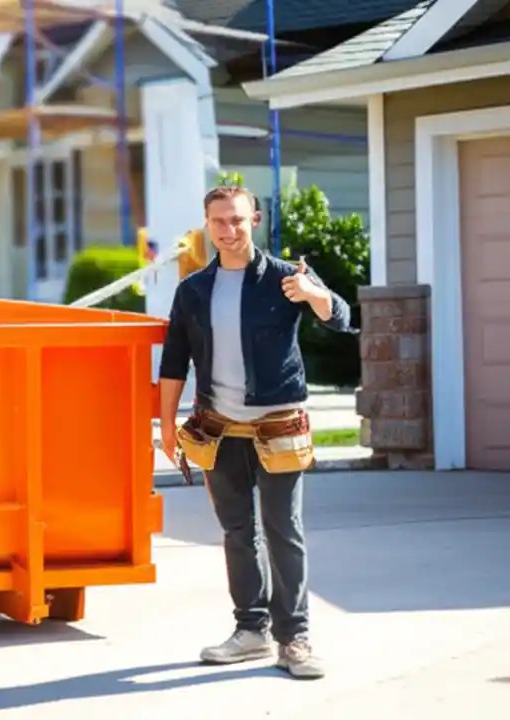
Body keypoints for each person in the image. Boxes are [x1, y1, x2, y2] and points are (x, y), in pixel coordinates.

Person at [157, 185, 355, 680]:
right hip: (218, 428)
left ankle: (296, 639)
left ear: (256, 220)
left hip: (277, 425)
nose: (229, 230)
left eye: (238, 220)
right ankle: (251, 632)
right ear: (207, 224)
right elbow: (174, 363)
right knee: (238, 533)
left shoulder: (288, 279)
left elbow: (343, 321)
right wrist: (165, 427)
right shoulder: (194, 290)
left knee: (283, 531)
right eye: (220, 221)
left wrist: (316, 296)